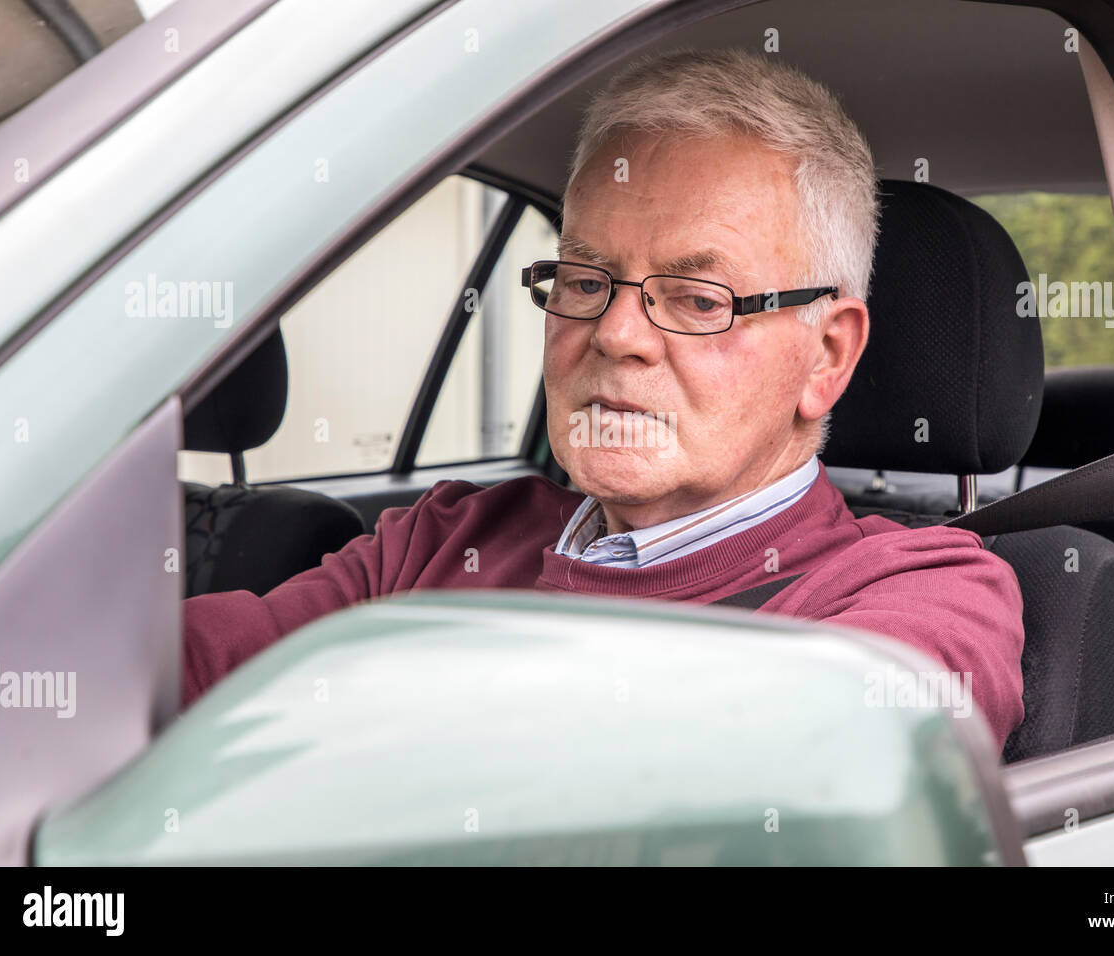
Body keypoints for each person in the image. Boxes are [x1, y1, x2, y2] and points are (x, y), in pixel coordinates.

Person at [182, 49, 1024, 750]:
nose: (617, 332)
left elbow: (803, 778)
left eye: (699, 297)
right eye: (586, 279)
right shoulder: (448, 540)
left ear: (826, 356)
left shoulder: (923, 592)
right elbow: (182, 677)